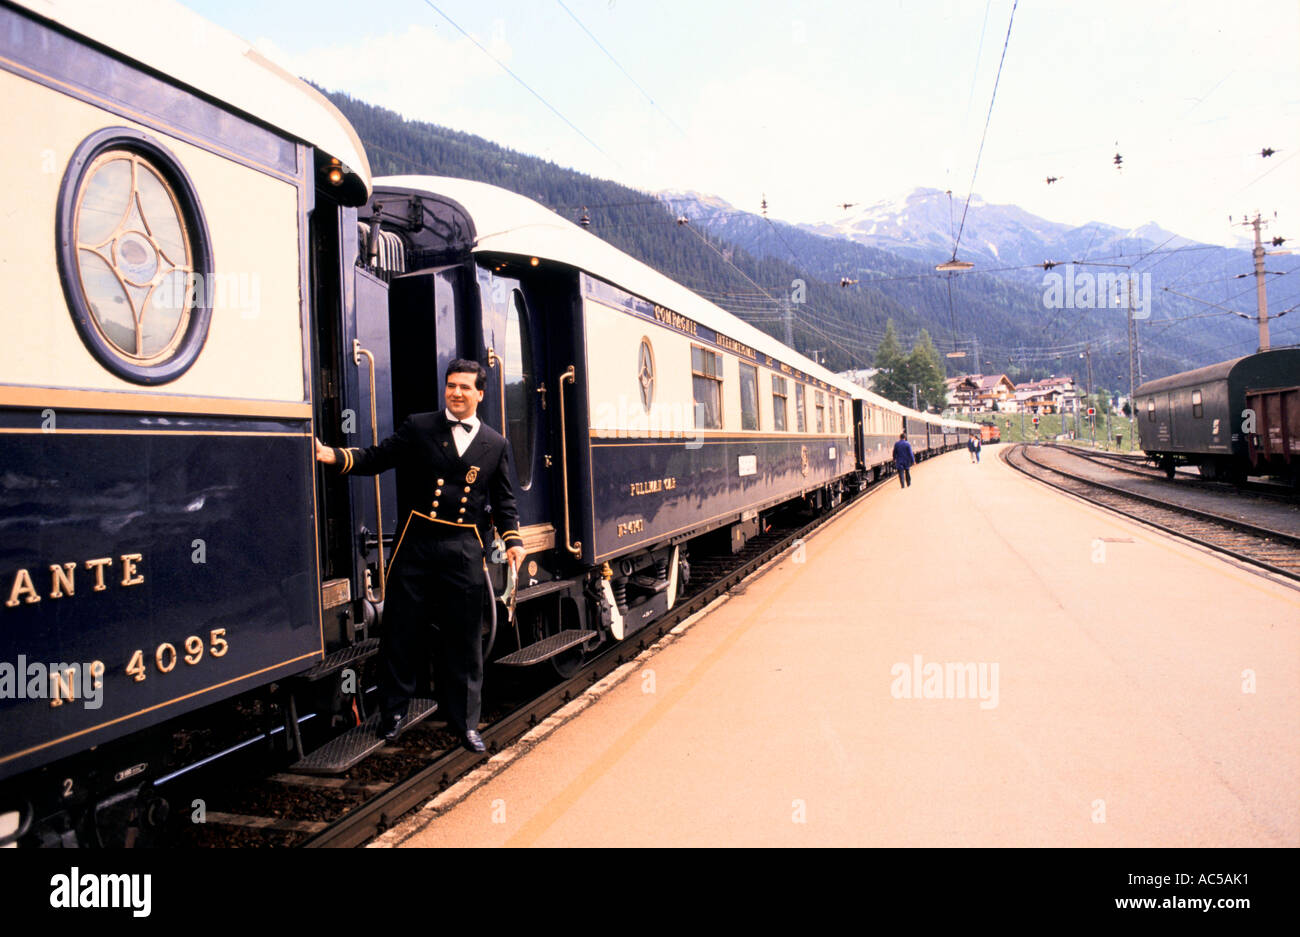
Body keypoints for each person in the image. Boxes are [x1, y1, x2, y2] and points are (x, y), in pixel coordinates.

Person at [314, 359, 525, 753]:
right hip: (416, 544)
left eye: (465, 387)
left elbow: (504, 500)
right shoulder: (420, 426)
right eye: (450, 385)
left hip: (463, 550)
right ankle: (392, 715)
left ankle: (466, 724)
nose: (456, 393)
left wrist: (513, 540)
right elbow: (378, 457)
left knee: (464, 641)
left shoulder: (495, 444)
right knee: (401, 634)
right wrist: (334, 456)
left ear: (480, 394)